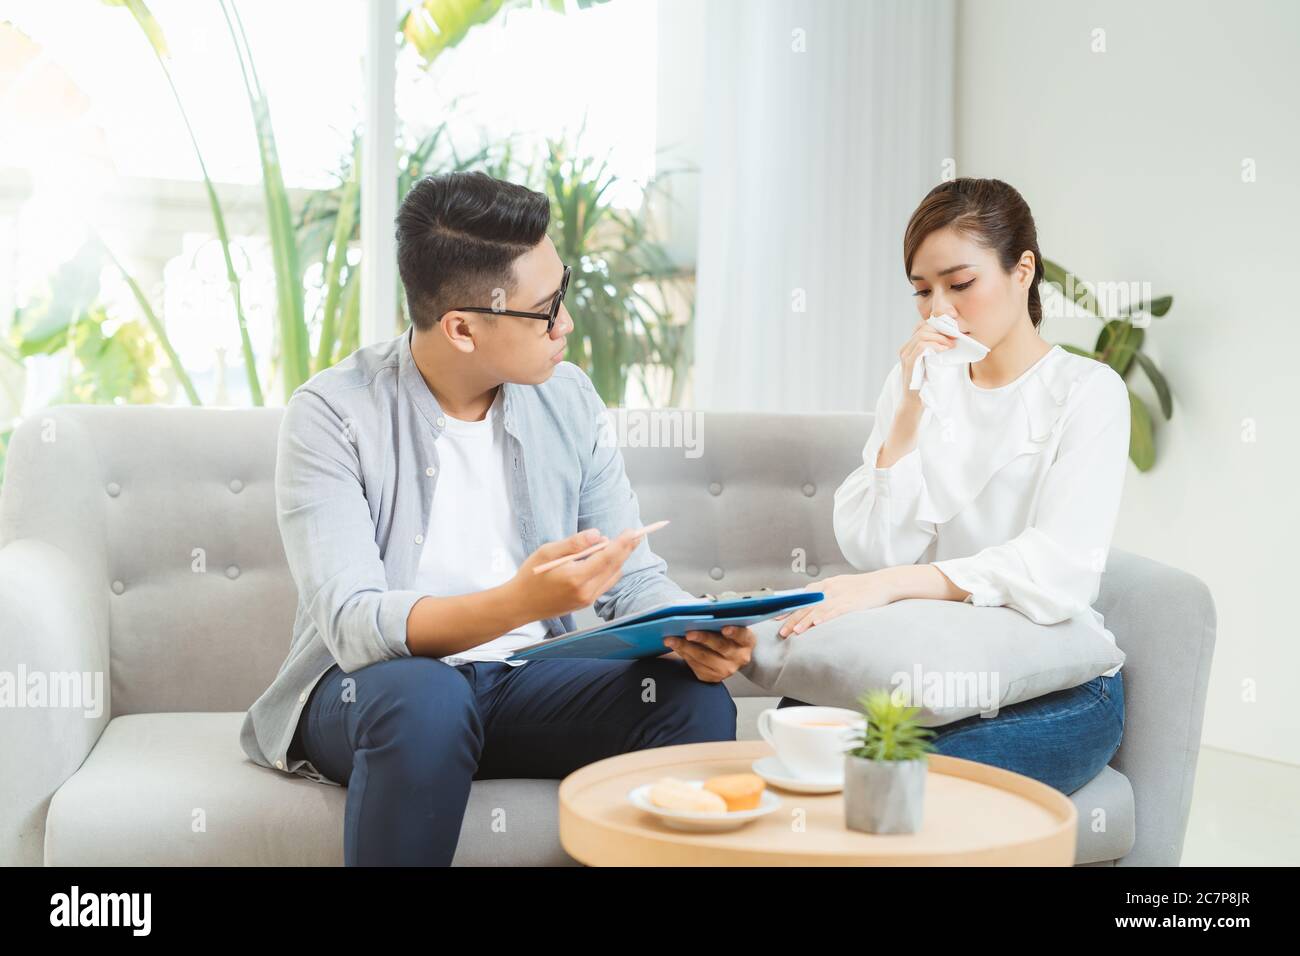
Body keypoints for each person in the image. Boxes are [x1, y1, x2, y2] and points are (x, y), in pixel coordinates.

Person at [239, 171, 755, 865]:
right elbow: (356, 626)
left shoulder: (566, 399)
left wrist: (692, 627)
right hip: (377, 695)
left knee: (693, 701)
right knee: (428, 699)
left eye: (562, 289)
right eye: (545, 309)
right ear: (461, 327)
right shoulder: (334, 414)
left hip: (523, 683)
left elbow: (632, 580)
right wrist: (518, 602)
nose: (566, 323)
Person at [772, 177, 1126, 795]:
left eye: (960, 284)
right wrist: (909, 412)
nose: (940, 310)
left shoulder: (1088, 392)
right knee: (800, 727)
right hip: (930, 662)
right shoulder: (916, 381)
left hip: (1056, 682)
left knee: (889, 776)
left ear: (1023, 271)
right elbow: (876, 548)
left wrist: (888, 588)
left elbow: (1061, 568)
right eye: (922, 291)